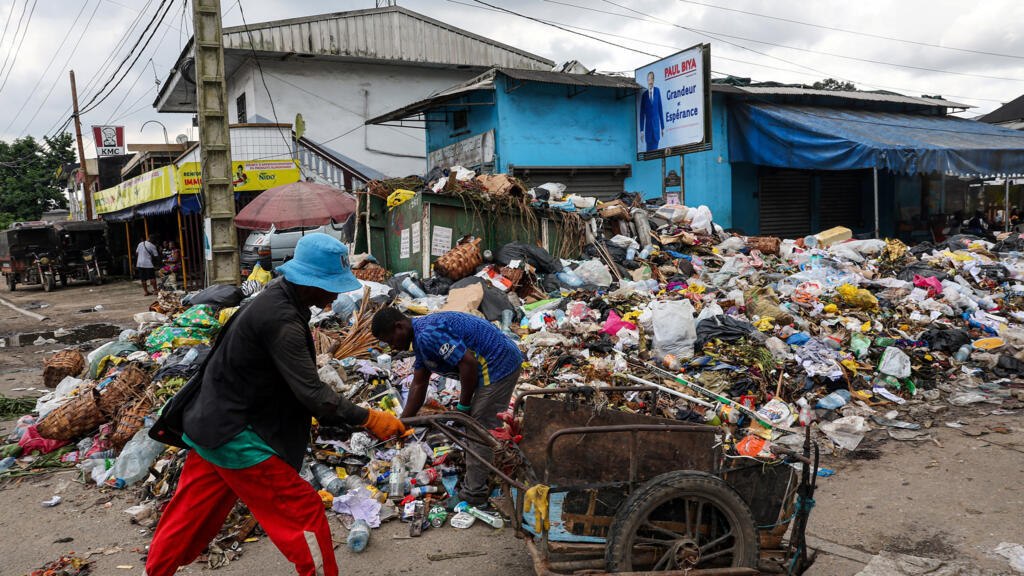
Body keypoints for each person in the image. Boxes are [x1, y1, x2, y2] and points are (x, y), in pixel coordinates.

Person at [145, 234, 406, 576]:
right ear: (309, 281)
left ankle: (155, 572)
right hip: (235, 436)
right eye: (331, 286)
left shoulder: (274, 301)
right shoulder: (282, 320)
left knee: (188, 514)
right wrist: (369, 418)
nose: (336, 294)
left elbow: (282, 380)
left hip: (208, 423)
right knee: (305, 513)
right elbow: (312, 393)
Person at [371, 308, 522, 508]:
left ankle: (474, 494)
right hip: (493, 362)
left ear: (399, 326)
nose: (392, 346)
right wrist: (402, 423)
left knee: (478, 427)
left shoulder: (427, 334)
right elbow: (419, 382)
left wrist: (463, 406)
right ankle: (487, 474)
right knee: (477, 426)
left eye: (391, 340)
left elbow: (468, 364)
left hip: (498, 364)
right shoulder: (419, 337)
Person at [639, 70, 664, 152]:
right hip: (648, 129)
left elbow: (660, 109)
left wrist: (662, 127)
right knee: (649, 153)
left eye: (652, 79)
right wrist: (641, 130)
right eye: (649, 79)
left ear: (654, 80)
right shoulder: (644, 95)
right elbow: (642, 114)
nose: (650, 81)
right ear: (647, 80)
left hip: (656, 128)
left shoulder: (657, 91)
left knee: (656, 152)